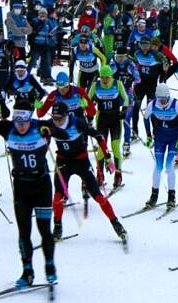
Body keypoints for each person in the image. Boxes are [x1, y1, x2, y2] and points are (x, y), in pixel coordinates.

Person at [0, 108, 59, 289]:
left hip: (42, 185)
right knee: (24, 231)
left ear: (29, 120)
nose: (20, 127)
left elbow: (59, 128)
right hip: (21, 187)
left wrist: (52, 130)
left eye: (23, 123)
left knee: (44, 230)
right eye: (17, 123)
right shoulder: (8, 128)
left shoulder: (39, 126)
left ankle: (49, 267)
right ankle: (27, 272)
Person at [44, 100, 127, 243]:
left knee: (99, 197)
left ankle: (116, 224)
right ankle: (58, 227)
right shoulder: (49, 124)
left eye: (59, 119)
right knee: (57, 197)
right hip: (63, 162)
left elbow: (98, 136)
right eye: (54, 118)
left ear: (66, 115)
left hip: (81, 161)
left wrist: (107, 157)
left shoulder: (77, 123)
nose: (56, 121)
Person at [144, 82, 178, 208]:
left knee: (169, 166)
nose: (163, 102)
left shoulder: (176, 104)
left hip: (173, 138)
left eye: (165, 99)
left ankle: (171, 196)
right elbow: (146, 118)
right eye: (161, 99)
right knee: (158, 167)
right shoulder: (152, 104)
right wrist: (148, 136)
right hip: (160, 138)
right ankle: (154, 196)